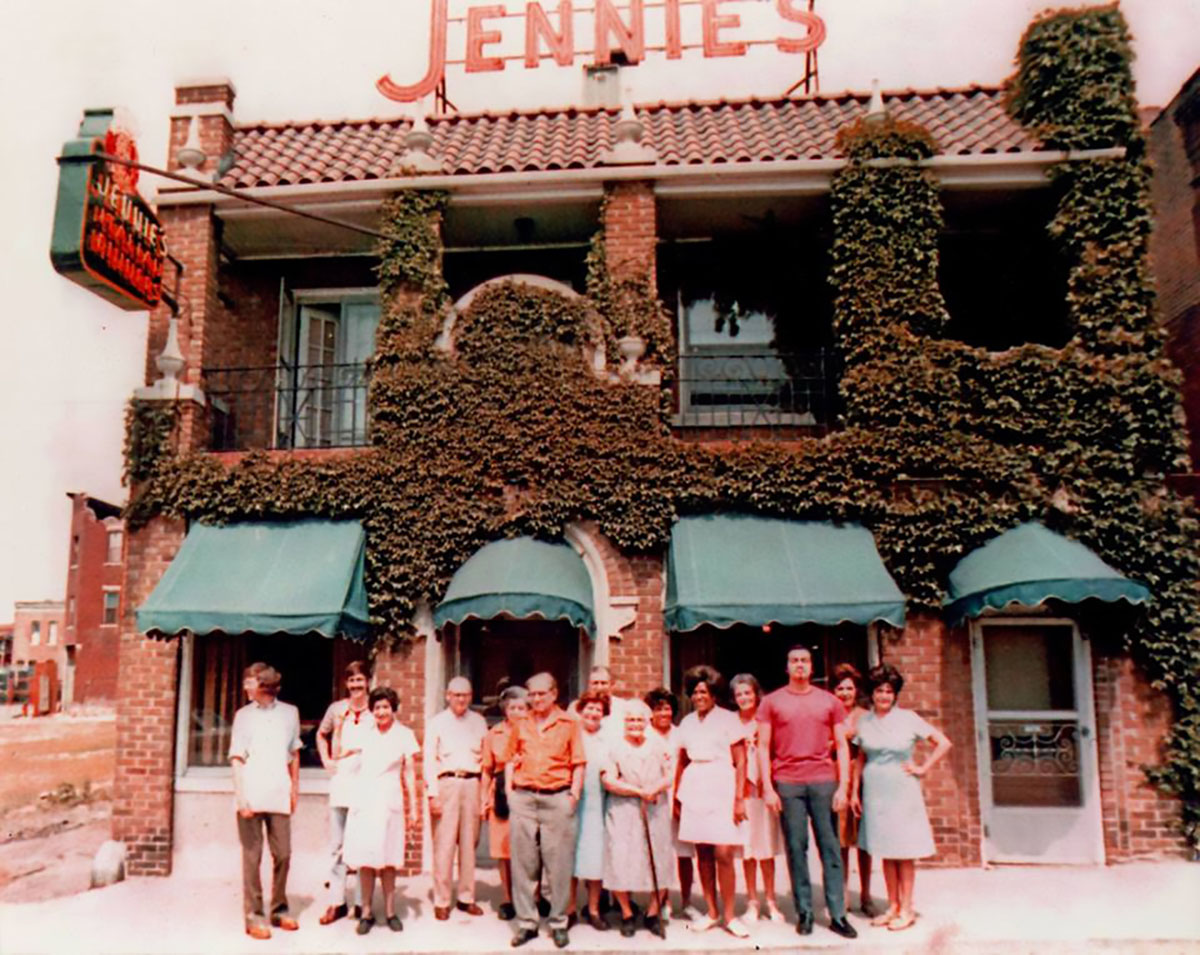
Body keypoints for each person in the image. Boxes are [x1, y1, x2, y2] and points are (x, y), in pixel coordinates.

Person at [758, 645, 857, 939]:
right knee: (796, 848)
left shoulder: (829, 702)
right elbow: (763, 747)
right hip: (788, 782)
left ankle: (837, 914)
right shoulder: (772, 702)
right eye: (794, 661)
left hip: (824, 781)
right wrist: (768, 788)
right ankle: (805, 912)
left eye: (804, 661)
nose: (799, 665)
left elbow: (842, 746)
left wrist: (844, 786)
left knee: (830, 848)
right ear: (787, 667)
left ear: (812, 668)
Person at [851, 664, 951, 932]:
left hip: (901, 790)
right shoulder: (864, 721)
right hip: (874, 791)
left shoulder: (909, 718)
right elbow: (860, 758)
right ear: (871, 694)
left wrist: (922, 768)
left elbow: (943, 742)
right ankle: (893, 905)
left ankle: (907, 908)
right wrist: (853, 792)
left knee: (904, 851)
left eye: (888, 691)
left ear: (895, 694)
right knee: (885, 849)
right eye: (879, 691)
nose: (884, 696)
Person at [505, 672, 586, 949]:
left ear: (554, 694)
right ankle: (527, 923)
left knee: (559, 865)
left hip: (557, 799)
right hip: (525, 799)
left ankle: (559, 922)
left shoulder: (569, 723)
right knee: (524, 864)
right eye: (533, 694)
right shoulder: (521, 722)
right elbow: (509, 758)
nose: (537, 699)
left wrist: (573, 795)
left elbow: (579, 763)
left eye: (542, 693)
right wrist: (510, 792)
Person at [673, 665, 749, 939]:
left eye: (703, 691)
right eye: (694, 692)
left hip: (722, 784)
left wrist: (739, 800)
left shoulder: (729, 719)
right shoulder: (687, 722)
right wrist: (677, 797)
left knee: (724, 852)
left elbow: (741, 762)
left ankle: (730, 915)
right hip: (695, 784)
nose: (699, 696)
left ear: (713, 694)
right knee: (702, 851)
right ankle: (712, 912)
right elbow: (681, 762)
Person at [229, 663, 301, 940]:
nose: (245, 687)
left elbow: (293, 753)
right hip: (251, 793)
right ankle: (254, 915)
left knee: (283, 853)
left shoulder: (289, 713)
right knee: (252, 857)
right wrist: (240, 797)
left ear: (264, 684)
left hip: (279, 792)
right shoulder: (243, 716)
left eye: (249, 682)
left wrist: (295, 789)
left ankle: (279, 909)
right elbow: (237, 758)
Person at [342, 686, 420, 935]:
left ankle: (389, 911)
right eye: (376, 707)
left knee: (388, 860)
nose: (381, 712)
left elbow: (409, 773)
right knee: (365, 860)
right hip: (366, 801)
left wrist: (414, 807)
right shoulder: (363, 734)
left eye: (385, 707)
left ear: (393, 708)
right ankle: (366, 912)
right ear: (371, 710)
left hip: (390, 802)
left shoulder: (404, 735)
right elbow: (345, 760)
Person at [601, 700, 673, 938]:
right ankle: (627, 913)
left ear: (647, 721)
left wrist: (653, 789)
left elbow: (670, 774)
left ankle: (652, 912)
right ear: (623, 723)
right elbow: (609, 780)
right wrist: (638, 791)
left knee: (659, 859)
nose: (635, 724)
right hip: (623, 808)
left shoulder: (658, 744)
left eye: (639, 720)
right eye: (630, 720)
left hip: (655, 807)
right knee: (621, 859)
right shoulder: (614, 746)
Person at [425, 675, 488, 920]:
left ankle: (466, 897)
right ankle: (442, 900)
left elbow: (485, 759)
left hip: (472, 782)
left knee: (469, 844)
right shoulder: (437, 723)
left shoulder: (479, 722)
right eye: (456, 695)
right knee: (444, 844)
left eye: (465, 695)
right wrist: (432, 794)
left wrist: (484, 796)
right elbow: (429, 759)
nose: (461, 699)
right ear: (447, 696)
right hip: (447, 784)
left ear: (471, 697)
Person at [316, 660, 372, 925]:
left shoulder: (376, 710)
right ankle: (337, 902)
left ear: (368, 682)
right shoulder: (337, 710)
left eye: (360, 680)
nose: (356, 685)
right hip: (341, 782)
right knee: (337, 846)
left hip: (366, 785)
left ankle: (362, 903)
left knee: (361, 844)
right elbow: (321, 733)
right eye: (351, 681)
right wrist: (327, 759)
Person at [730, 673, 785, 923]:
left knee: (766, 848)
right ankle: (752, 901)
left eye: (747, 693)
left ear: (756, 694)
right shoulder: (730, 723)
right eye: (739, 694)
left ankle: (771, 900)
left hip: (765, 790)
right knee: (748, 849)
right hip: (742, 791)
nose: (743, 698)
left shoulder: (766, 719)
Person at [481, 685, 529, 921]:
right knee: (504, 850)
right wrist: (483, 800)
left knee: (531, 849)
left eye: (521, 707)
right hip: (501, 793)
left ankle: (533, 897)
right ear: (505, 709)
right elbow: (487, 770)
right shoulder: (494, 734)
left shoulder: (533, 731)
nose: (517, 712)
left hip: (528, 791)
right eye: (512, 707)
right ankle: (508, 899)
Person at [644, 687, 692, 920]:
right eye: (658, 708)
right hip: (655, 798)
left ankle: (687, 901)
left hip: (680, 796)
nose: (664, 712)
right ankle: (663, 900)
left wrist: (681, 798)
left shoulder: (680, 733)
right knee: (661, 852)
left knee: (683, 852)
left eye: (667, 707)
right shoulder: (644, 735)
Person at [831, 663, 874, 917]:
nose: (844, 693)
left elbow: (867, 746)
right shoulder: (830, 716)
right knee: (841, 841)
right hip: (836, 781)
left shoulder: (865, 716)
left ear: (856, 690)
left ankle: (866, 895)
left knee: (864, 843)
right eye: (840, 688)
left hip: (863, 782)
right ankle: (843, 894)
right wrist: (843, 737)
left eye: (849, 688)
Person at [567, 690, 609, 931]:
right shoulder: (572, 735)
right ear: (580, 711)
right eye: (589, 709)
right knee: (571, 856)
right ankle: (570, 908)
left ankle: (593, 909)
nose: (593, 713)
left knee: (595, 858)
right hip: (574, 802)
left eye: (598, 710)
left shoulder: (607, 739)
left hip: (597, 803)